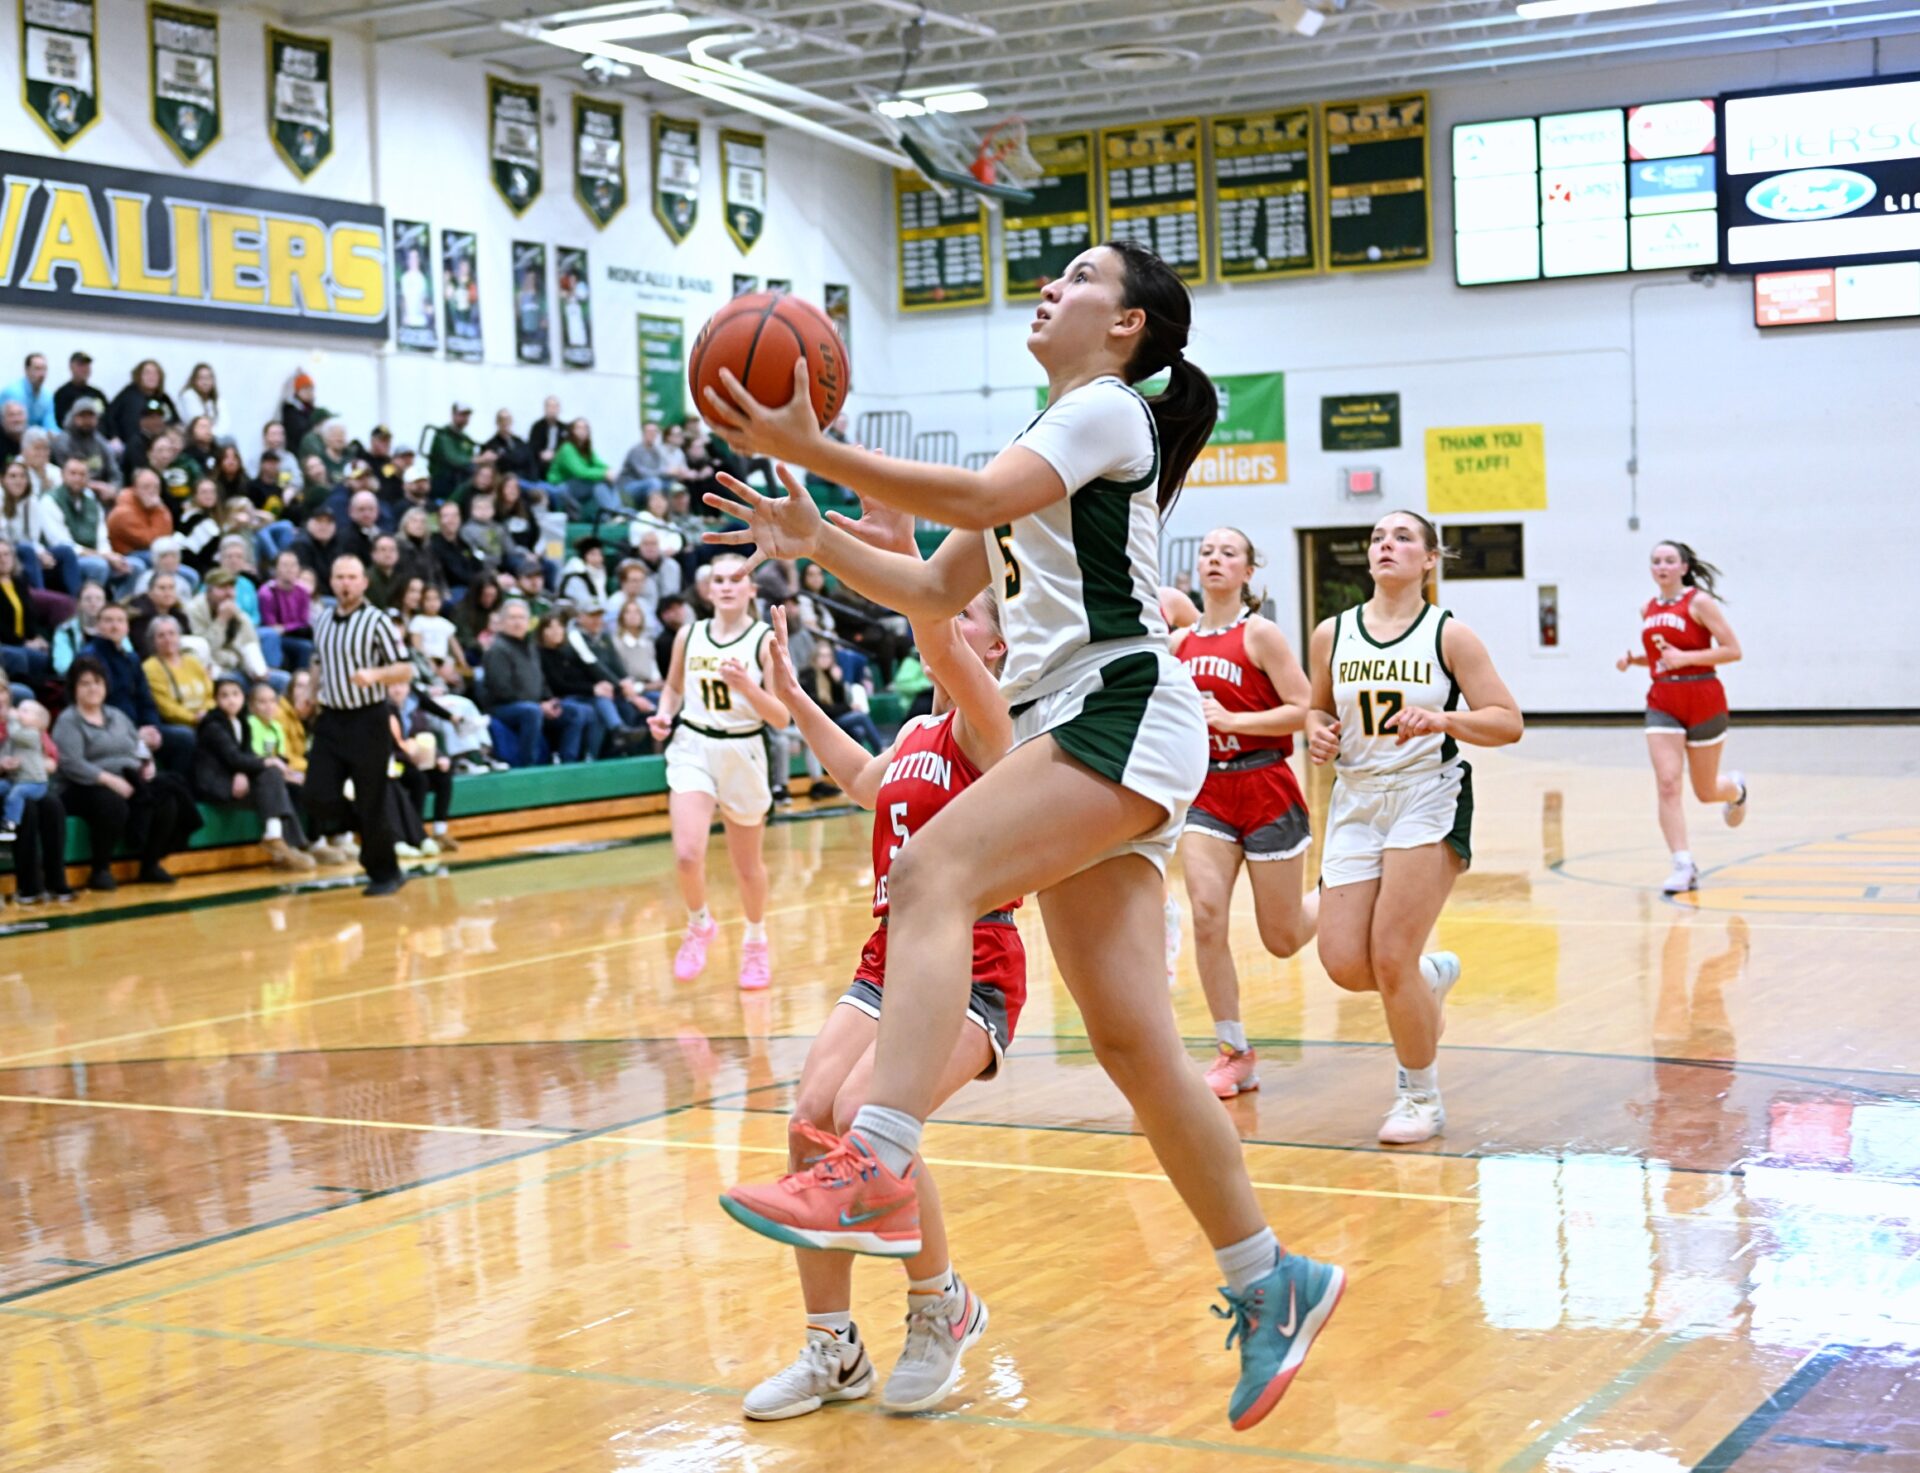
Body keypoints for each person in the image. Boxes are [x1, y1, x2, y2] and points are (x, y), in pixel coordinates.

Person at [703, 239, 1343, 1430]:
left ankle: (876, 1158)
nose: (1055, 285)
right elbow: (940, 590)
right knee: (1136, 1047)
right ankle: (1271, 1281)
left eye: (1086, 277)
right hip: (1086, 717)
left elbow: (986, 501)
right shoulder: (1052, 432)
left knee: (931, 864)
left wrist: (812, 446)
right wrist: (813, 535)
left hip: (1116, 705)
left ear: (1129, 328)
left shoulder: (1104, 408)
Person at [738, 512, 1019, 1418]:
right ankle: (833, 1350)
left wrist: (903, 553)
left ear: (998, 643)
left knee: (865, 1118)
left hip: (972, 967)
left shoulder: (992, 727)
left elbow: (931, 627)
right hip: (886, 960)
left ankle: (943, 1305)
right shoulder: (916, 733)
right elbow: (864, 781)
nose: (948, 622)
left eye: (965, 613)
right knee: (809, 1122)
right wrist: (794, 696)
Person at [1306, 510, 1524, 1145]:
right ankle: (1430, 979)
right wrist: (1317, 732)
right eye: (1377, 537)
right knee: (1346, 963)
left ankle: (1420, 1097)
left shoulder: (1450, 636)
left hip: (1426, 796)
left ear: (1430, 559)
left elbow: (1507, 721)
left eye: (1403, 537)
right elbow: (1319, 708)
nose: (1386, 546)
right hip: (1355, 800)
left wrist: (1444, 720)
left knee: (1390, 955)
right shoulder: (1332, 634)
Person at [1172, 528, 1318, 1098]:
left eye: (1228, 553)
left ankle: (1342, 892)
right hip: (1207, 791)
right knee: (1206, 916)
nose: (1215, 560)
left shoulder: (1260, 635)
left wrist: (1233, 721)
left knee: (1281, 937)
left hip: (1265, 785)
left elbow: (1302, 709)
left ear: (1248, 572)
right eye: (1207, 552)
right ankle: (1234, 1051)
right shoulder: (1179, 644)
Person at [646, 553, 789, 990]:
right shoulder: (688, 635)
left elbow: (781, 716)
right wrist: (663, 713)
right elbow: (673, 688)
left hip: (743, 751)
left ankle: (755, 939)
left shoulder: (764, 641)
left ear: (752, 590)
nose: (727, 586)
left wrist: (747, 687)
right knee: (688, 855)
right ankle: (699, 925)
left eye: (736, 579)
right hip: (693, 745)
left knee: (747, 867)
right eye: (719, 580)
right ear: (708, 590)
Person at [1617, 541, 1748, 894]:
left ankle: (1735, 790)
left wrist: (1686, 659)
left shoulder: (1699, 602)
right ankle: (1683, 864)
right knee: (1668, 783)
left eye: (1669, 560)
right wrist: (1636, 660)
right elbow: (1663, 657)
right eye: (1656, 561)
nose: (1662, 566)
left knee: (1705, 792)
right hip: (1663, 700)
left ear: (1684, 567)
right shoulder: (1647, 608)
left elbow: (1732, 650)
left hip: (1703, 696)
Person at [308, 555, 416, 896]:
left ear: (364, 582)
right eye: (339, 577)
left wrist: (375, 675)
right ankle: (364, 828)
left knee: (372, 798)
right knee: (316, 795)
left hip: (367, 719)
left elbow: (404, 669)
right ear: (331, 580)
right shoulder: (322, 618)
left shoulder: (377, 621)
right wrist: (310, 694)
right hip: (330, 718)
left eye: (352, 577)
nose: (345, 583)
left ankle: (385, 872)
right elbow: (317, 660)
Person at [53, 656, 200, 890]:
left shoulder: (117, 716)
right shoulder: (68, 720)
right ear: (74, 688)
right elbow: (71, 763)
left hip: (127, 777)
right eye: (85, 683)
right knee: (111, 803)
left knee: (167, 796)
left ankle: (151, 864)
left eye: (97, 682)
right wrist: (109, 780)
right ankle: (100, 870)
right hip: (81, 786)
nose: (93, 688)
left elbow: (137, 747)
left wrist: (147, 762)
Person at [194, 676, 316, 871]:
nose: (231, 700)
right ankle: (280, 841)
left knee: (276, 779)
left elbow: (246, 756)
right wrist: (267, 761)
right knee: (271, 773)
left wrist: (248, 771)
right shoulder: (212, 725)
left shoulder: (241, 722)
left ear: (243, 697)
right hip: (217, 786)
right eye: (224, 696)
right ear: (215, 700)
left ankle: (280, 840)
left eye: (235, 694)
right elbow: (232, 757)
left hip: (236, 779)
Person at [477, 599, 583, 766]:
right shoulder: (497, 649)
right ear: (503, 622)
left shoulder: (531, 647)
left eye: (521, 617)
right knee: (531, 712)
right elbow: (501, 689)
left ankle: (568, 762)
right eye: (512, 618)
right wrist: (538, 705)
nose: (517, 622)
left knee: (575, 712)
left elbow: (540, 680)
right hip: (503, 708)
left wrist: (548, 700)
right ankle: (527, 766)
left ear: (528, 621)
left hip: (533, 705)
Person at [536, 612, 610, 760]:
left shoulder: (566, 652)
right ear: (542, 632)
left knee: (603, 705)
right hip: (557, 699)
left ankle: (591, 755)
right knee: (582, 711)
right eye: (550, 627)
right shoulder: (539, 654)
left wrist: (598, 687)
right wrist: (592, 689)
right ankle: (569, 758)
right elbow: (558, 685)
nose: (556, 631)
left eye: (559, 627)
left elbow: (582, 675)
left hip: (576, 696)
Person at [0, 541, 54, 691]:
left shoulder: (19, 583)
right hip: (5, 643)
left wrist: (35, 637)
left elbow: (30, 616)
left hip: (20, 641)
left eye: (6, 554)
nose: (3, 559)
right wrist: (23, 642)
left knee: (44, 654)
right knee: (20, 657)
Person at [0, 690, 53, 842]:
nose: (18, 712)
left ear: (38, 722)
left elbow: (16, 734)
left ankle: (9, 826)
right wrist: (5, 761)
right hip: (16, 779)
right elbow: (5, 751)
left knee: (16, 794)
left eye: (25, 711)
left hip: (34, 782)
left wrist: (11, 718)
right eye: (19, 709)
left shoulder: (33, 734)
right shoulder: (15, 733)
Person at [105, 361, 176, 450]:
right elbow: (110, 416)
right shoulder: (128, 394)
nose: (152, 377)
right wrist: (114, 436)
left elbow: (174, 421)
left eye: (155, 373)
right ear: (139, 376)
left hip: (159, 446)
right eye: (147, 373)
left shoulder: (163, 398)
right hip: (130, 445)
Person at [429, 402, 476, 501]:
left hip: (460, 482)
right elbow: (453, 458)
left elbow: (469, 459)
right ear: (453, 415)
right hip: (442, 482)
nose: (465, 418)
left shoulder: (466, 439)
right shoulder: (442, 434)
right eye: (462, 414)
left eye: (467, 415)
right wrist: (476, 460)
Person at [177, 362, 226, 438]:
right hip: (191, 437)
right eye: (201, 378)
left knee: (228, 440)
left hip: (213, 437)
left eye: (208, 378)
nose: (205, 382)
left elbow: (224, 423)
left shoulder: (217, 399)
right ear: (194, 380)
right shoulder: (189, 395)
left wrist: (213, 434)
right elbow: (198, 425)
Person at [51, 350, 95, 428]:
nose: (84, 369)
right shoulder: (61, 395)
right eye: (80, 365)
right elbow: (58, 423)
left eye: (87, 365)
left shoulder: (97, 394)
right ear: (71, 367)